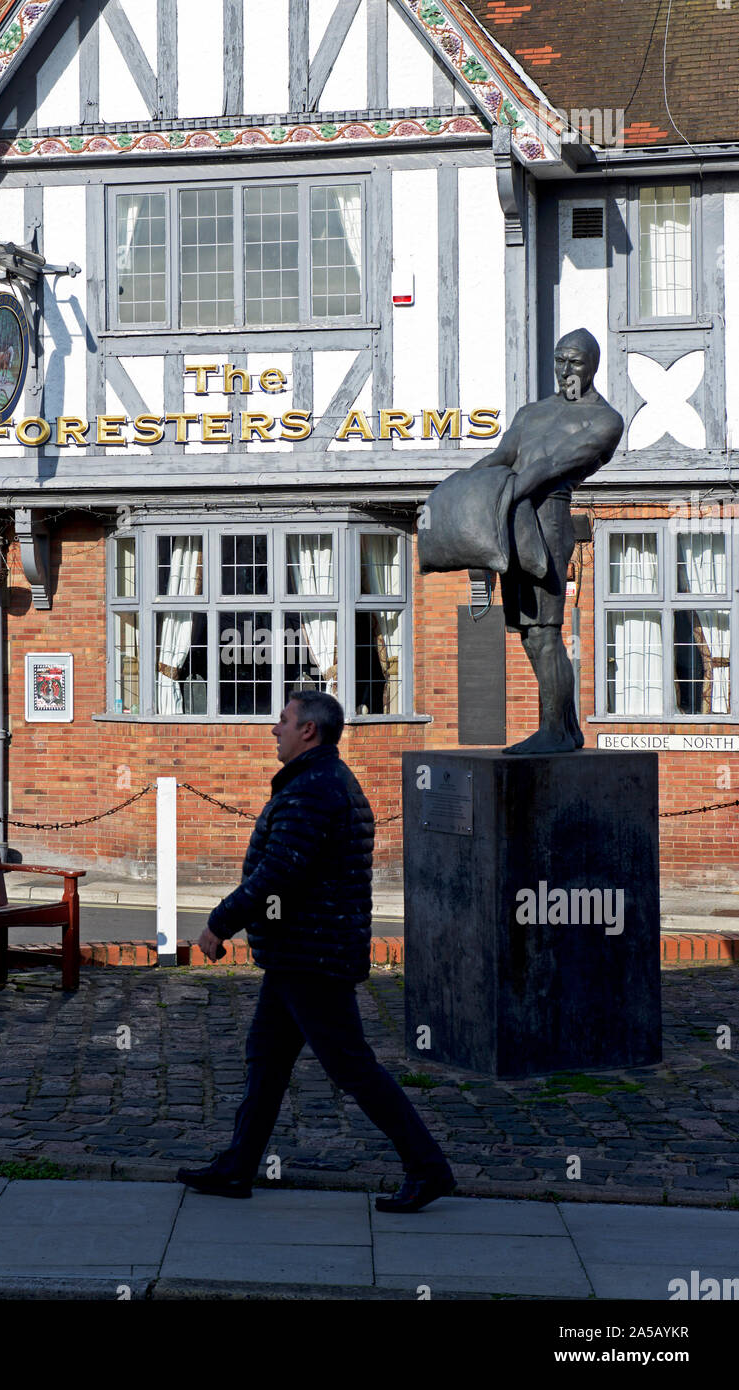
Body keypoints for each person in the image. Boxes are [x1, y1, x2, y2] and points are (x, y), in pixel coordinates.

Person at [176, 689, 456, 1213]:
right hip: (299, 954)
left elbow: (279, 872)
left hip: (312, 956)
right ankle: (238, 1167)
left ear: (309, 730)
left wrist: (220, 923)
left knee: (352, 1066)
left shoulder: (314, 788)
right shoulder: (321, 781)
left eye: (282, 720)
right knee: (266, 1060)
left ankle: (427, 1167)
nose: (274, 729)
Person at [469, 328, 624, 754]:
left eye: (574, 362)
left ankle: (555, 731)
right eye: (560, 360)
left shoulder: (605, 420)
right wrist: (461, 490)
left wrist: (501, 494)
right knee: (528, 631)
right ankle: (567, 731)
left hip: (547, 518)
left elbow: (552, 465)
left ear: (592, 364)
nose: (565, 370)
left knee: (545, 631)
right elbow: (501, 458)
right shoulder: (531, 413)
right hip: (513, 514)